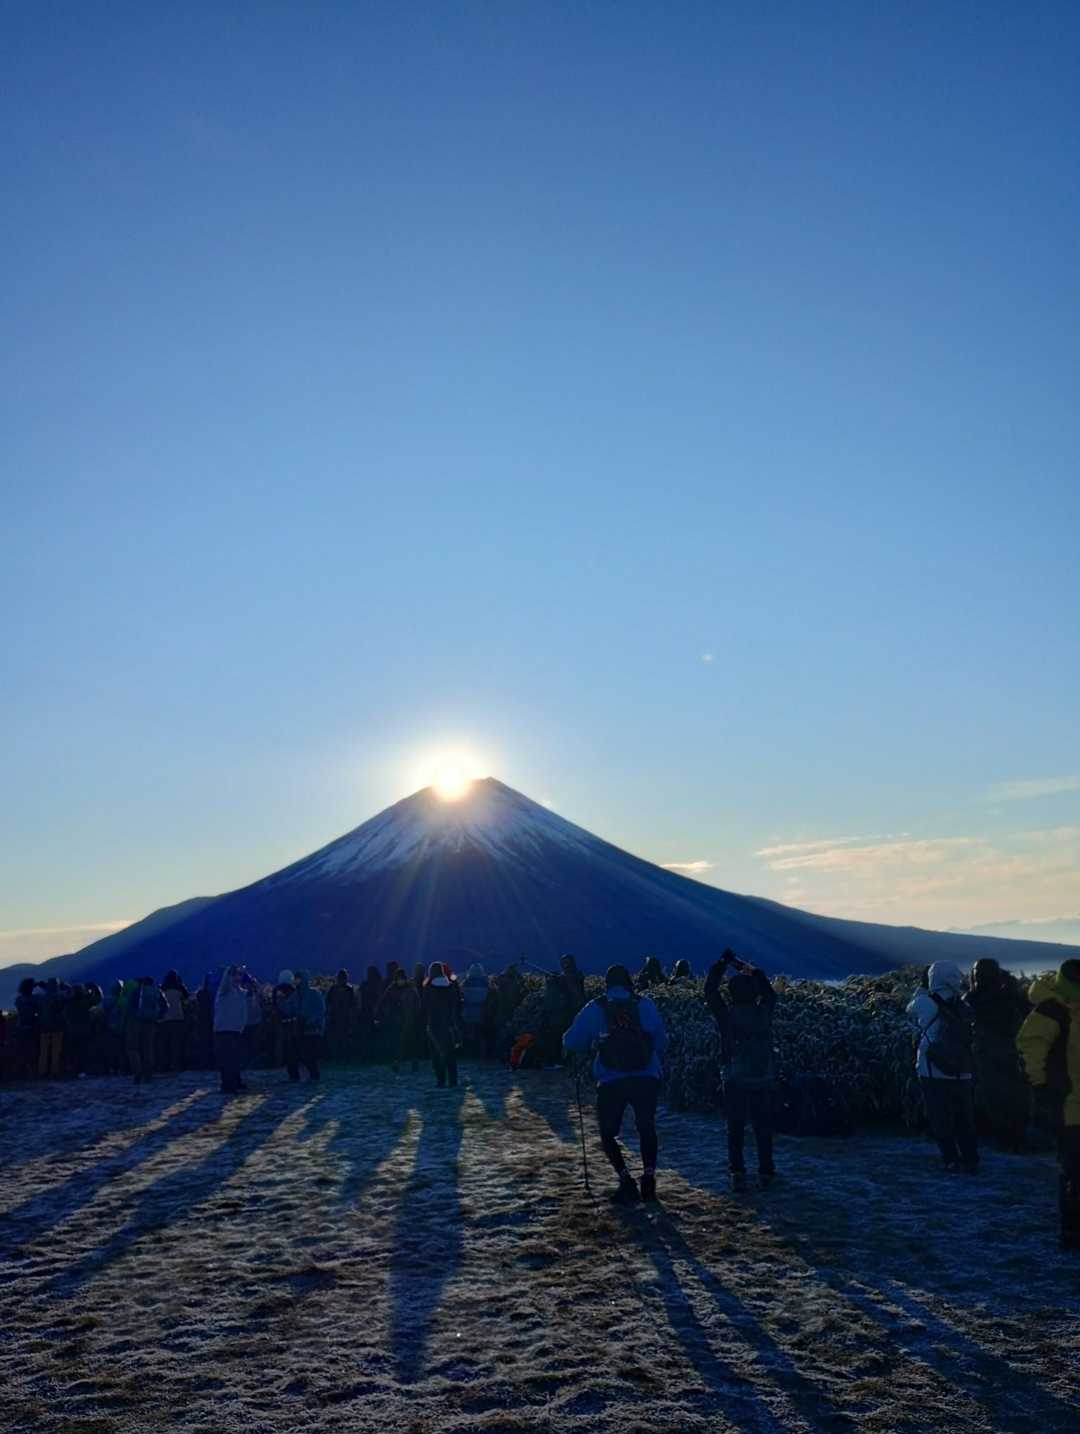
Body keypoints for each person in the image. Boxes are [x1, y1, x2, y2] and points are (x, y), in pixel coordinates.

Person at [563, 963, 668, 1204]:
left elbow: (572, 1042)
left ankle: (625, 1179)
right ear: (629, 982)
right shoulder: (645, 1005)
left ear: (607, 984)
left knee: (608, 1133)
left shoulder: (596, 1007)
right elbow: (661, 1042)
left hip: (611, 1079)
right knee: (646, 1127)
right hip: (646, 1076)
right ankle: (649, 1179)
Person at [1017, 959, 1080, 1249]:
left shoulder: (1059, 1008)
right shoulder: (1053, 1010)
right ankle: (1071, 1233)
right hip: (1068, 1105)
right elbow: (1031, 1050)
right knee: (1074, 1172)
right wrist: (1041, 1087)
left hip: (1068, 1101)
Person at [704, 952, 778, 1191]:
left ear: (732, 993)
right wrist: (741, 965)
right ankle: (766, 1171)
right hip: (762, 1074)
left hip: (734, 1077)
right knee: (762, 1126)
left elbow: (710, 991)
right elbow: (766, 987)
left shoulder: (726, 1016)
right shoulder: (764, 1012)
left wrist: (722, 965)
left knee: (735, 1126)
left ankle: (738, 1171)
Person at [906, 960, 979, 1174]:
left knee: (940, 1119)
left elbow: (908, 1009)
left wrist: (922, 986)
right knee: (964, 1118)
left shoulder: (925, 1003)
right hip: (962, 1070)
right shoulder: (965, 1006)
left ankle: (950, 1159)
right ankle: (971, 1159)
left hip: (932, 1070)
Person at [968, 958, 1031, 1150]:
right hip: (1012, 1053)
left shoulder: (975, 998)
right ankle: (1015, 1138)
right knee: (1015, 1097)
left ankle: (1007, 1139)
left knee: (996, 1098)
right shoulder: (1011, 993)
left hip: (988, 1055)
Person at [422, 962, 463, 1088]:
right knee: (450, 1054)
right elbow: (456, 1005)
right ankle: (453, 1079)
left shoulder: (428, 988)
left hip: (434, 1025)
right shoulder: (451, 987)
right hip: (449, 1025)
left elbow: (425, 1008)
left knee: (436, 1055)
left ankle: (441, 1080)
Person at [279, 970, 325, 1082]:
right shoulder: (295, 995)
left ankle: (314, 1077)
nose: (298, 982)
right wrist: (281, 1002)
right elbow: (289, 1009)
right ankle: (294, 1077)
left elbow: (321, 1010)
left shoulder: (314, 994)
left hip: (312, 1030)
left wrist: (310, 1021)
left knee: (309, 1057)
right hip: (299, 1030)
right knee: (292, 1055)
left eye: (300, 979)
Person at [214, 965, 251, 1094]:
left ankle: (235, 1081)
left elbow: (250, 992)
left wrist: (248, 979)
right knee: (227, 1058)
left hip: (236, 1029)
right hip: (224, 1029)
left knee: (235, 1058)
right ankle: (227, 1084)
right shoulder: (224, 990)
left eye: (239, 975)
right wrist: (230, 971)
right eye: (236, 975)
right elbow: (226, 982)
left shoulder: (239, 991)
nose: (238, 977)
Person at [377, 968, 422, 1072]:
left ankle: (414, 1061)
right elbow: (384, 1002)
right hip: (397, 1020)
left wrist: (416, 1014)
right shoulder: (392, 988)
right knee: (398, 1043)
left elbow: (417, 1002)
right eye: (398, 978)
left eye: (401, 978)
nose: (400, 980)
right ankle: (396, 1062)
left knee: (411, 1041)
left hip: (409, 1018)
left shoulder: (410, 988)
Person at [128, 976, 167, 1083]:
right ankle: (148, 1073)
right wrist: (158, 1016)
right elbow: (165, 1006)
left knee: (133, 1047)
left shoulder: (137, 991)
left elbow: (130, 1006)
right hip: (151, 1022)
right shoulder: (156, 992)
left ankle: (138, 1070)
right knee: (148, 1048)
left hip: (137, 1021)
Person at [36, 979, 67, 1078]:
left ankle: (42, 1072)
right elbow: (72, 993)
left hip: (44, 1026)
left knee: (43, 1052)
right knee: (56, 1051)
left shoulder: (41, 997)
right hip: (58, 1026)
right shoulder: (61, 996)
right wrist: (65, 985)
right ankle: (55, 1072)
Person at [160, 971, 190, 1072]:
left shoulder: (162, 989)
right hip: (178, 1018)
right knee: (176, 1044)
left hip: (164, 1019)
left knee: (164, 1044)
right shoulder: (180, 988)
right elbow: (187, 1001)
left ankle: (164, 1065)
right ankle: (176, 1065)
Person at [326, 969, 357, 1061]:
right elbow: (353, 1004)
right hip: (341, 1017)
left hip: (339, 1017)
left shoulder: (335, 988)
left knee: (340, 1038)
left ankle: (339, 1057)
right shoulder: (348, 989)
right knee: (342, 1039)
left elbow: (328, 1001)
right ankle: (342, 1057)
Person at [461, 963, 490, 1058]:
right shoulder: (485, 983)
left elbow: (463, 997)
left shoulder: (466, 982)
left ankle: (470, 1054)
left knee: (469, 1033)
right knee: (482, 1034)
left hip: (468, 1012)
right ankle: (482, 1054)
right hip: (481, 1012)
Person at [14, 978, 39, 1079]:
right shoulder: (33, 999)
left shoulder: (19, 999)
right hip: (31, 1027)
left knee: (22, 1051)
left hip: (20, 1027)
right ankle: (31, 1072)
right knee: (31, 1050)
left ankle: (23, 1072)